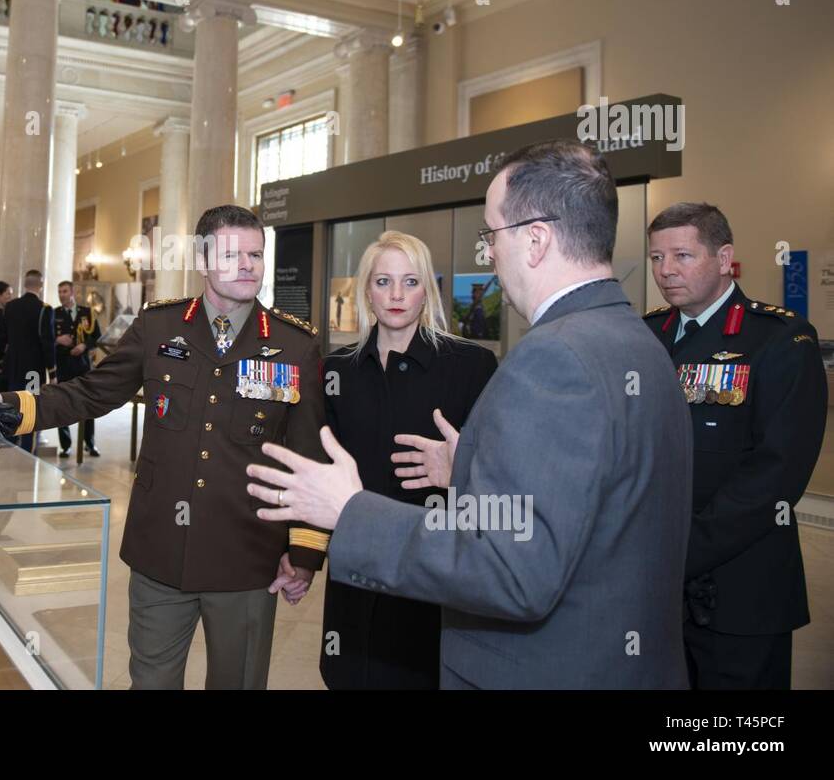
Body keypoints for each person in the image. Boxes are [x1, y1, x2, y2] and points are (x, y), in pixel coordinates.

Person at [248, 139, 694, 688]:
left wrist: (351, 510)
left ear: (535, 239)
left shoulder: (553, 359)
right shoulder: (640, 341)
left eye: (492, 235)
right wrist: (470, 469)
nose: (488, 255)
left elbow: (514, 570)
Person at [0, 205, 331, 689]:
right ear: (202, 259)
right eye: (232, 253)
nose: (247, 265)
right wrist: (8, 406)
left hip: (247, 557)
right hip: (161, 552)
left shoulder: (293, 344)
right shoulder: (159, 327)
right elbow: (92, 392)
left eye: (256, 254)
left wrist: (304, 552)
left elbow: (308, 456)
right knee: (151, 682)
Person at [645, 202, 827, 689]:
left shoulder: (781, 339)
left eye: (682, 255)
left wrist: (680, 551)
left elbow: (776, 473)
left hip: (742, 585)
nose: (666, 271)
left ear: (724, 258)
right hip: (654, 586)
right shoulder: (645, 336)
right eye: (656, 259)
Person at [320, 231, 497, 690]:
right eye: (383, 282)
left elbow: (505, 476)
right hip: (355, 571)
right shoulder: (337, 371)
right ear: (366, 291)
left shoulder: (471, 366)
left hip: (432, 572)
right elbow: (324, 472)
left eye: (410, 281)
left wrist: (461, 470)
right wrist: (303, 553)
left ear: (427, 291)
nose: (396, 295)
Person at [44, 279, 103, 459]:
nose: (61, 295)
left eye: (64, 291)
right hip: (63, 366)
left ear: (72, 292)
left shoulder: (87, 313)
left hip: (84, 366)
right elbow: (46, 339)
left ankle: (89, 443)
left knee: (88, 403)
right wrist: (57, 340)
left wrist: (84, 346)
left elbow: (97, 337)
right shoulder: (54, 313)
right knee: (63, 404)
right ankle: (66, 445)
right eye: (59, 291)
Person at [0, 270, 51, 453]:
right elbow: (47, 342)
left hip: (13, 366)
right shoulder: (44, 309)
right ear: (41, 285)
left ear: (24, 284)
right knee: (30, 407)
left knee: (12, 404)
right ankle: (28, 448)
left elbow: (3, 337)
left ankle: (10, 443)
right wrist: (52, 371)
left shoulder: (11, 306)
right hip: (33, 369)